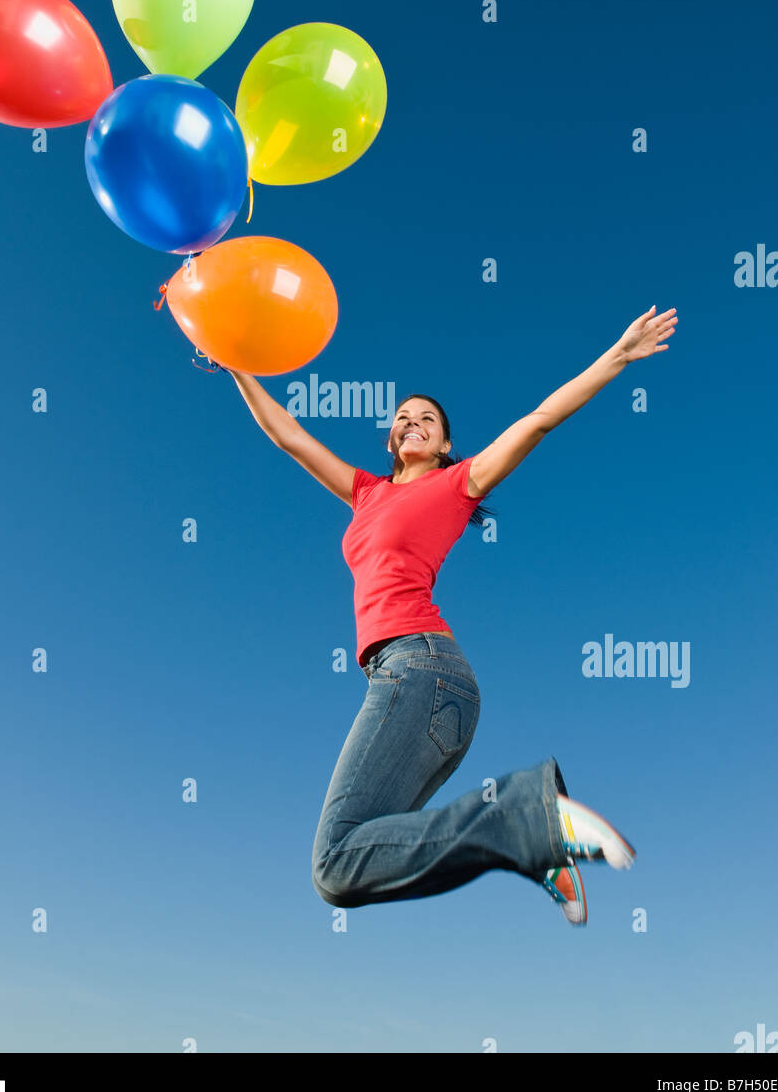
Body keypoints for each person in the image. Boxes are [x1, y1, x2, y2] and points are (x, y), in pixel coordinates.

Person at [221, 304, 678, 925]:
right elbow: (289, 435)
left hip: (421, 672)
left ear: (444, 442)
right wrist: (236, 362)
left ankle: (527, 816)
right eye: (402, 419)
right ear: (391, 440)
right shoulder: (367, 493)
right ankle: (535, 845)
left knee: (332, 860)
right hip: (424, 691)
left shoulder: (459, 483)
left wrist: (618, 356)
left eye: (427, 419)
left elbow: (540, 419)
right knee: (349, 864)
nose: (413, 423)